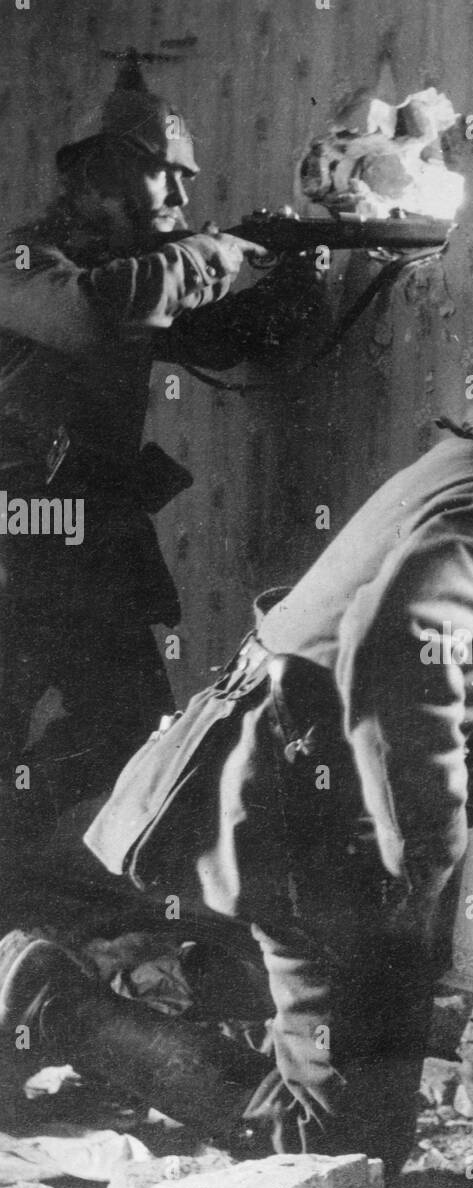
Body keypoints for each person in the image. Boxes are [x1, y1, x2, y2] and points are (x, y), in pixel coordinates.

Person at [1, 204, 473, 1176]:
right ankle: (54, 1000)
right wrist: (423, 856)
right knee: (342, 1146)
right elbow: (391, 649)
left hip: (327, 785)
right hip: (290, 802)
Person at [0, 54, 324, 851]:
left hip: (85, 529)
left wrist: (296, 273)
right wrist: (223, 251)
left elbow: (213, 334)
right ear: (103, 174)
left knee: (126, 723)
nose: (183, 198)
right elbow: (89, 314)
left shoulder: (132, 272)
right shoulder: (25, 262)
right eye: (165, 178)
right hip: (21, 526)